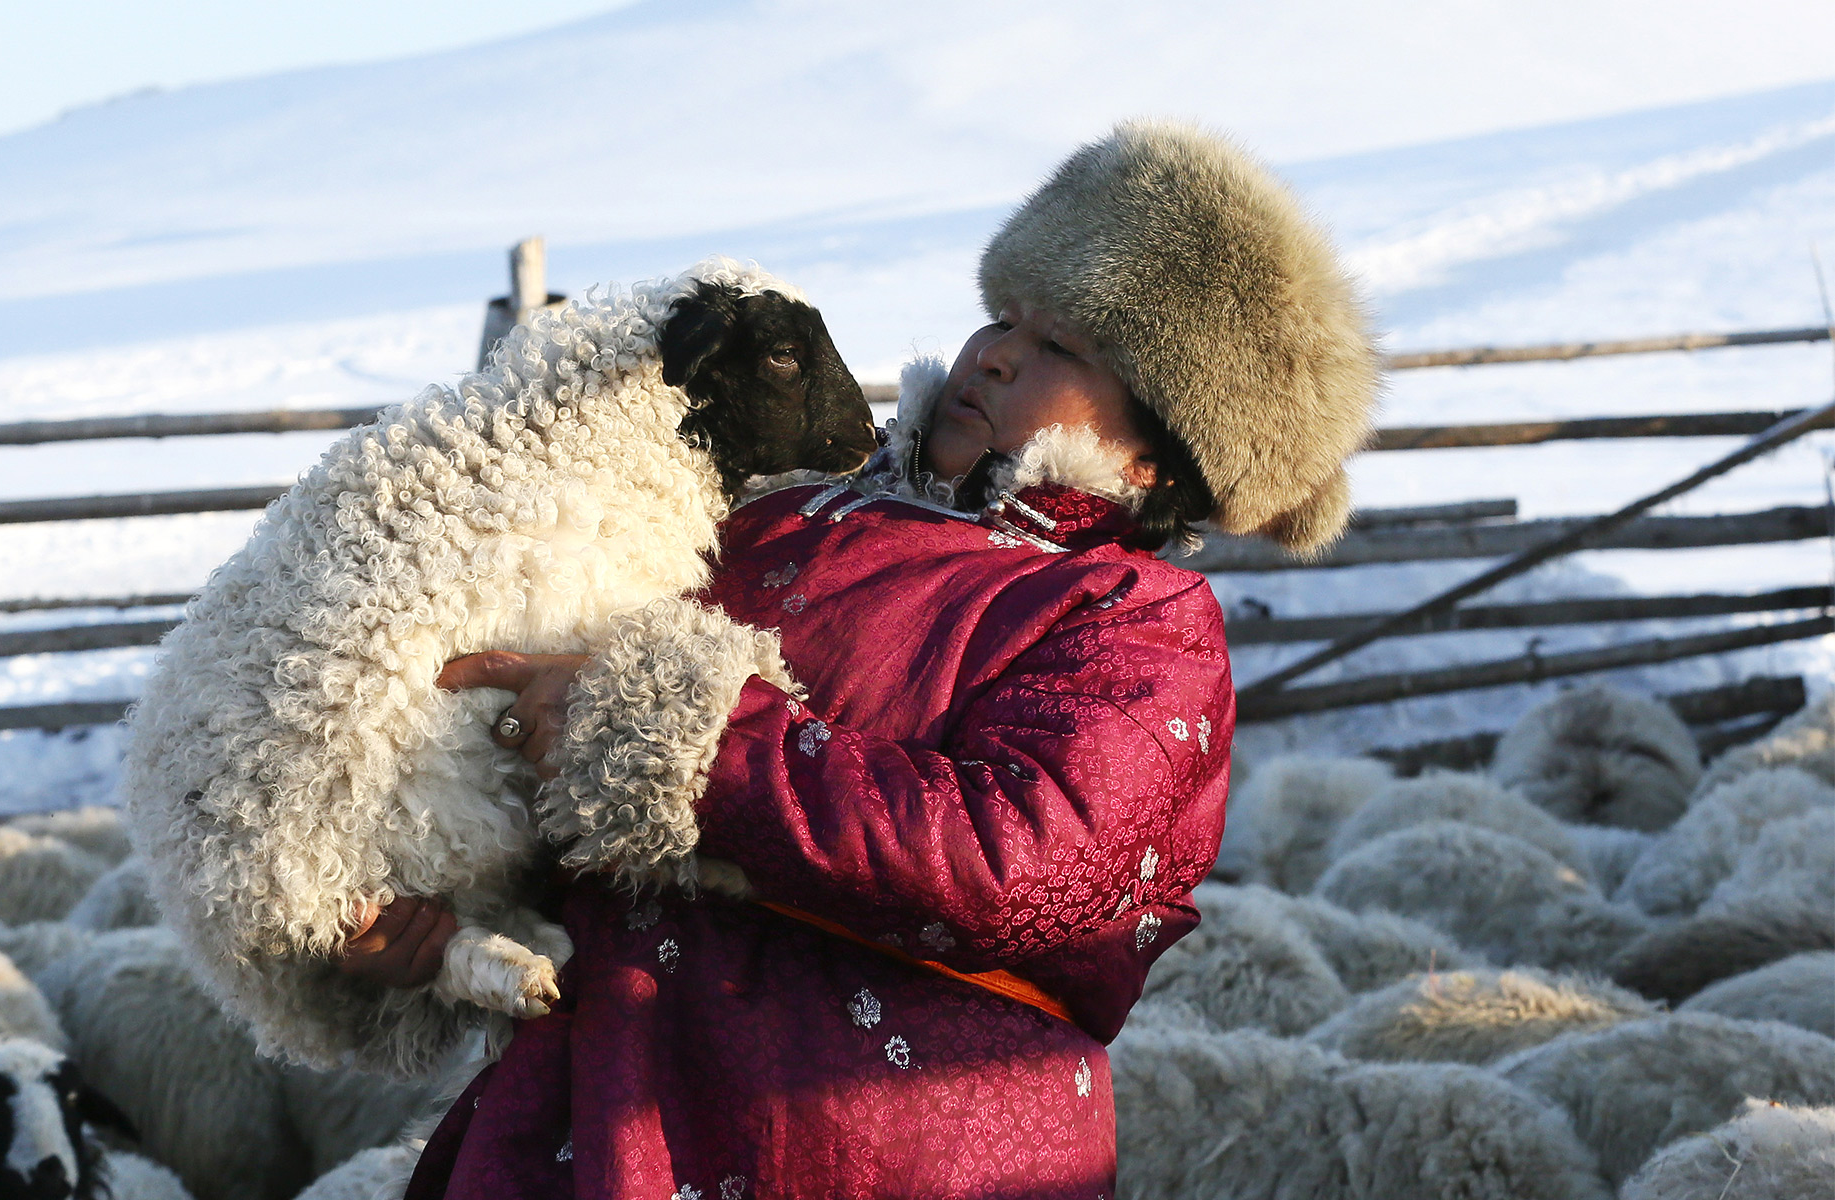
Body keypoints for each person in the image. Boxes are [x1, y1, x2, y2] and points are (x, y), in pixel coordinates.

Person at [343, 120, 1377, 1199]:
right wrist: (443, 919)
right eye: (999, 317)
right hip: (591, 1120)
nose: (993, 354)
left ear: (1163, 445)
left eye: (1061, 347)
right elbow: (543, 751)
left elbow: (1020, 860)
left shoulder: (1128, 619)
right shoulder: (767, 520)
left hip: (870, 1147)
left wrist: (684, 739)